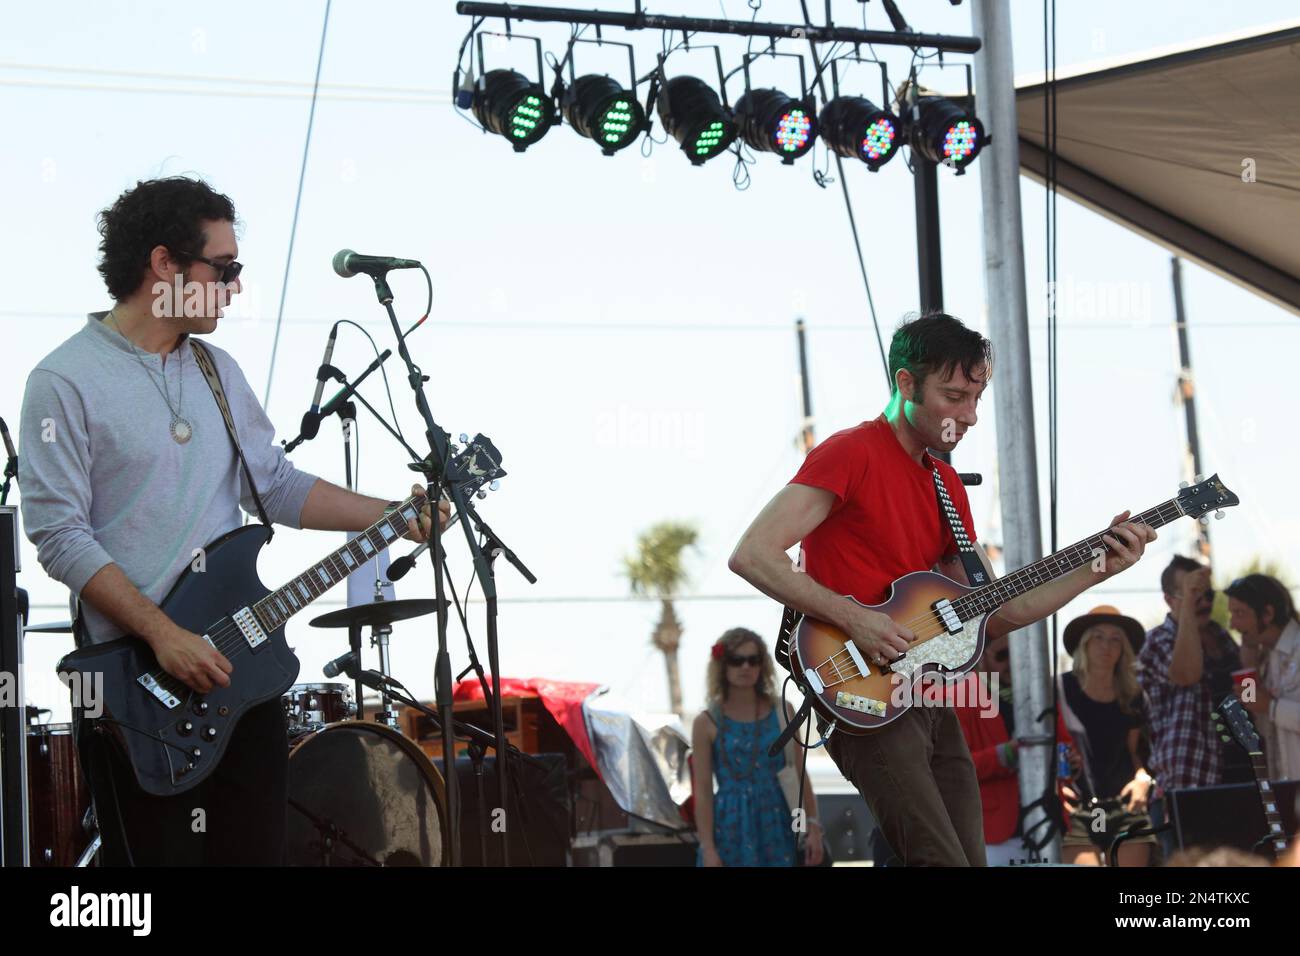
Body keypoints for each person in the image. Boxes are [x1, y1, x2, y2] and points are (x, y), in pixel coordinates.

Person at [18, 177, 449, 866]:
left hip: (240, 677)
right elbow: (59, 536)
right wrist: (164, 636)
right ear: (164, 266)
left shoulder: (218, 372)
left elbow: (274, 486)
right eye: (225, 269)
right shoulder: (64, 381)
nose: (236, 287)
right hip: (140, 690)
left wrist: (395, 516)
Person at [728, 311, 1156, 866]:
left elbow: (998, 611)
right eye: (954, 396)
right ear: (906, 383)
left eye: (976, 398)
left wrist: (1094, 569)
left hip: (932, 692)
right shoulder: (851, 451)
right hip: (858, 684)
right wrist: (855, 617)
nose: (970, 415)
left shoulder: (947, 484)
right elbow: (753, 554)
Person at [691, 627, 824, 867]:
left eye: (753, 660)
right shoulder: (706, 722)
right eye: (736, 660)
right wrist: (708, 847)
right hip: (730, 828)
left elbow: (799, 774)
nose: (745, 667)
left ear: (762, 665)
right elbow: (702, 791)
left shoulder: (784, 711)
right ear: (723, 665)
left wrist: (811, 827)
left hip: (783, 820)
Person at [1057, 605, 1156, 866]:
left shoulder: (1133, 694)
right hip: (1076, 808)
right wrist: (1056, 784)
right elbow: (1043, 746)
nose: (1106, 646)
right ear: (1085, 643)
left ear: (1123, 649)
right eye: (1098, 637)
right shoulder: (1060, 688)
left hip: (1125, 806)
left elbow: (1137, 753)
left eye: (1115, 639)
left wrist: (1143, 780)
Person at [1138, 557, 1242, 800]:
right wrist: (1188, 607)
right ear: (1169, 599)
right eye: (1195, 596)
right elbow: (1187, 675)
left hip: (1238, 768)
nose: (1204, 604)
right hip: (1187, 777)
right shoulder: (1156, 641)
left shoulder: (1219, 634)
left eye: (1209, 595)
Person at [1226, 574, 1300, 782]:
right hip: (1288, 791)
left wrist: (1271, 706)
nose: (1233, 624)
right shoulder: (1265, 659)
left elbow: (1267, 707)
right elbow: (1260, 719)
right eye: (1231, 614)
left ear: (1267, 613)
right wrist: (1249, 670)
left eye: (1239, 613)